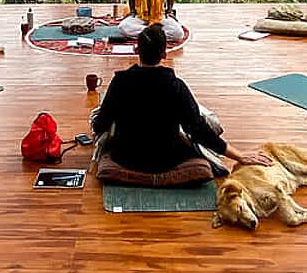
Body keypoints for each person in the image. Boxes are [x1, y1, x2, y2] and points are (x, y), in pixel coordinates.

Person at [92, 23, 271, 173]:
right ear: (164, 54)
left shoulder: (120, 82)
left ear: (137, 50)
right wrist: (239, 155)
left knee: (105, 114)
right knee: (199, 118)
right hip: (165, 160)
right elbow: (198, 129)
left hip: (126, 157)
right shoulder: (176, 86)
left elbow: (100, 125)